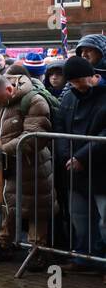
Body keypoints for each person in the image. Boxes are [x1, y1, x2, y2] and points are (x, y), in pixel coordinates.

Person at [0, 70, 56, 267]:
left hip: (32, 166)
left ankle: (38, 250)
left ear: (10, 89)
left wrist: (2, 152)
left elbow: (35, 135)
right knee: (6, 204)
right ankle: (3, 244)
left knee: (36, 209)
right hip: (3, 164)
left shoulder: (34, 101)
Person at [56, 56, 106, 267]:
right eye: (73, 82)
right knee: (80, 217)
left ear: (93, 76)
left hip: (101, 168)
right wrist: (68, 156)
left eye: (80, 80)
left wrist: (82, 157)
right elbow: (60, 128)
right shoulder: (69, 98)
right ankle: (84, 256)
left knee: (105, 220)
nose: (77, 85)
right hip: (75, 169)